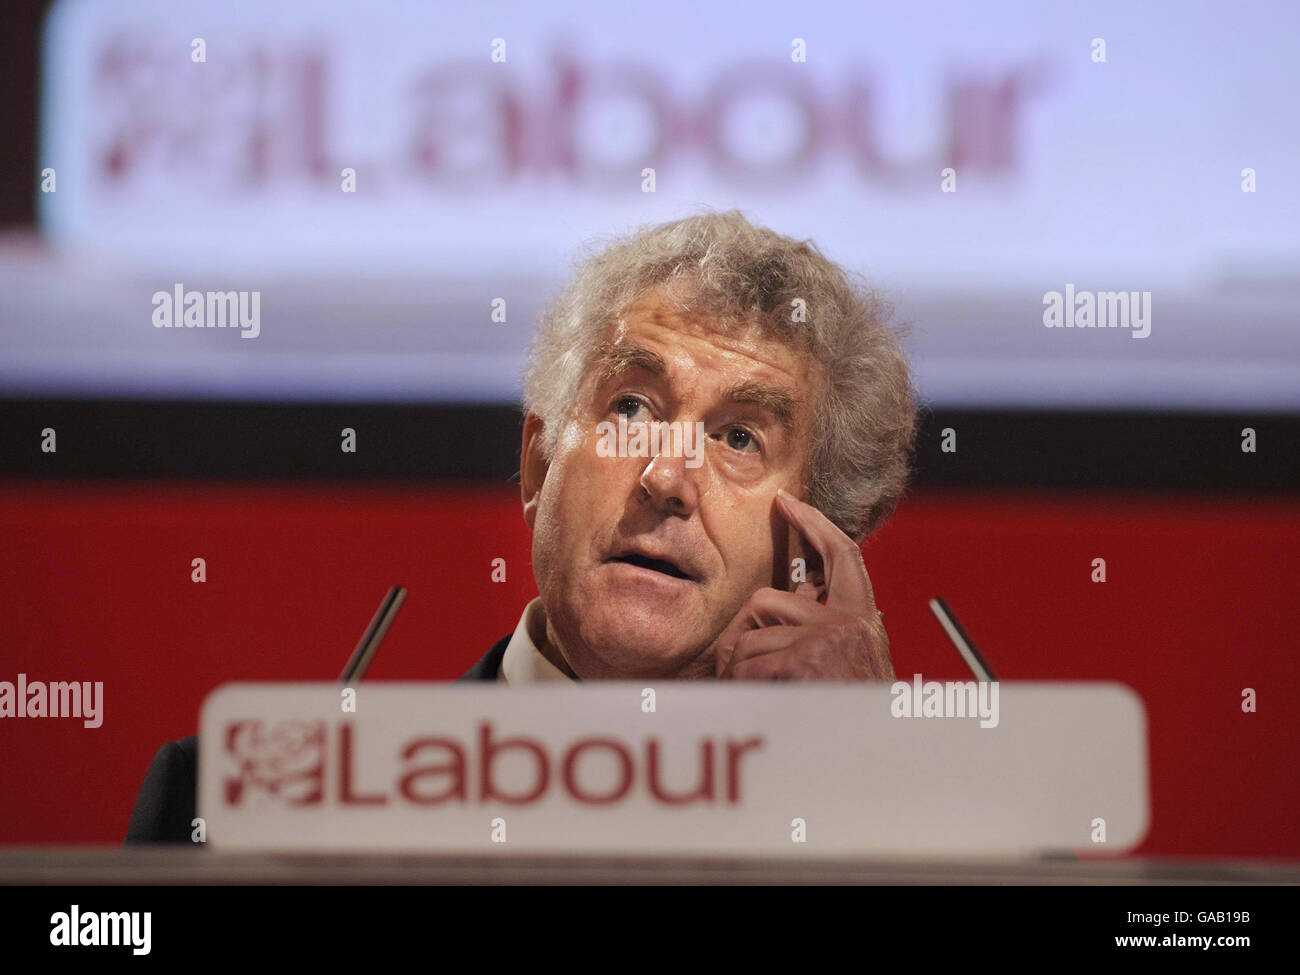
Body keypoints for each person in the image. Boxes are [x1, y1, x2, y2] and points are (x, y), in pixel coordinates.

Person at [125, 210, 918, 842]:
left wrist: (869, 783)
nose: (666, 477)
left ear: (817, 550)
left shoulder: (910, 832)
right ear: (538, 468)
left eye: (738, 437)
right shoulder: (230, 816)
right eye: (631, 406)